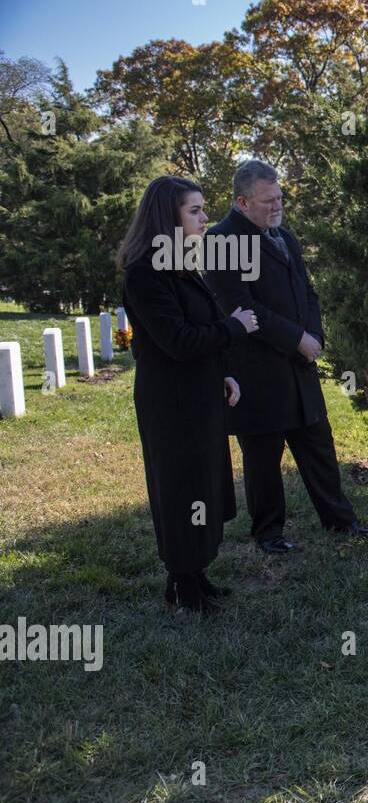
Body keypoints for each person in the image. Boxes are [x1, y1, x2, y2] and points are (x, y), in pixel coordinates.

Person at [207, 160, 368, 554]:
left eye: (280, 197)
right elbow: (241, 306)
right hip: (256, 368)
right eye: (268, 200)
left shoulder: (284, 235)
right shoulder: (221, 241)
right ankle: (268, 533)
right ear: (242, 202)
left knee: (318, 445)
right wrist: (296, 338)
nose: (277, 206)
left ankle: (341, 521)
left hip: (299, 366)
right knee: (263, 455)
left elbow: (307, 291)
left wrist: (314, 335)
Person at [119, 176, 260, 613]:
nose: (204, 218)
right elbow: (178, 340)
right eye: (194, 210)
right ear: (169, 216)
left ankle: (194, 573)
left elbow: (202, 327)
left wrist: (225, 374)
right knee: (180, 489)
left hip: (200, 393)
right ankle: (182, 584)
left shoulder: (180, 265)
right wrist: (235, 327)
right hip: (172, 402)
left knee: (201, 484)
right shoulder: (145, 272)